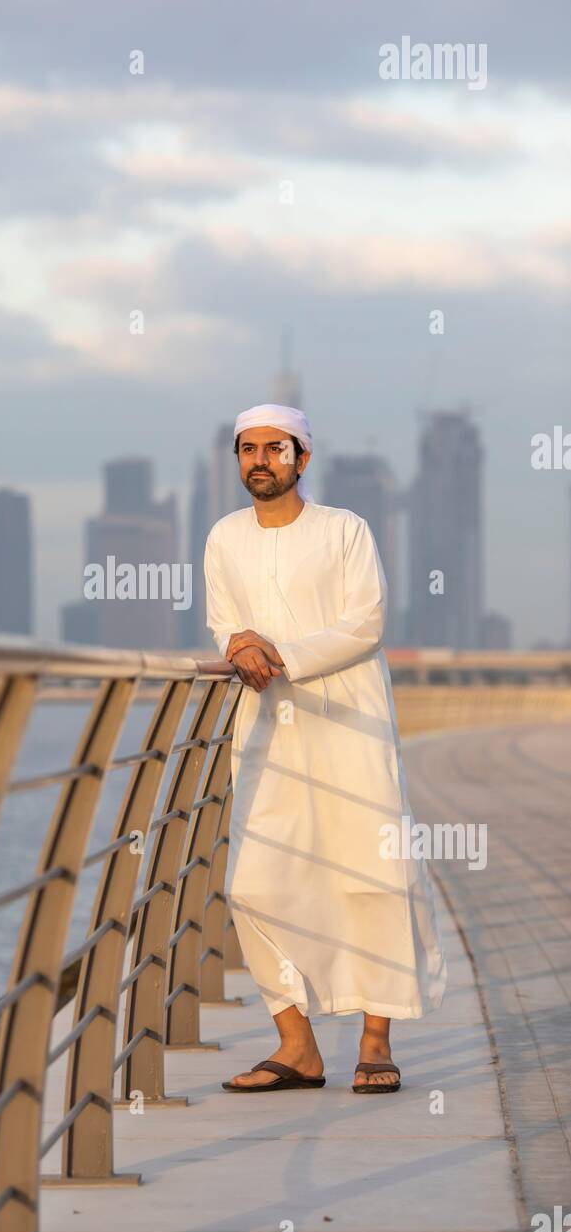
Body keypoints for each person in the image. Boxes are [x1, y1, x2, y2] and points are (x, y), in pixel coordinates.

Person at [203, 403, 447, 1093]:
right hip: (262, 724)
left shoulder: (345, 530)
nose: (258, 460)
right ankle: (296, 1046)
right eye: (246, 449)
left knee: (368, 874)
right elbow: (225, 621)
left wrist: (274, 651)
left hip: (349, 722)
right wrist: (236, 643)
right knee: (254, 881)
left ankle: (374, 1041)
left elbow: (364, 624)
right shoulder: (223, 537)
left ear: (301, 458)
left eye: (273, 449)